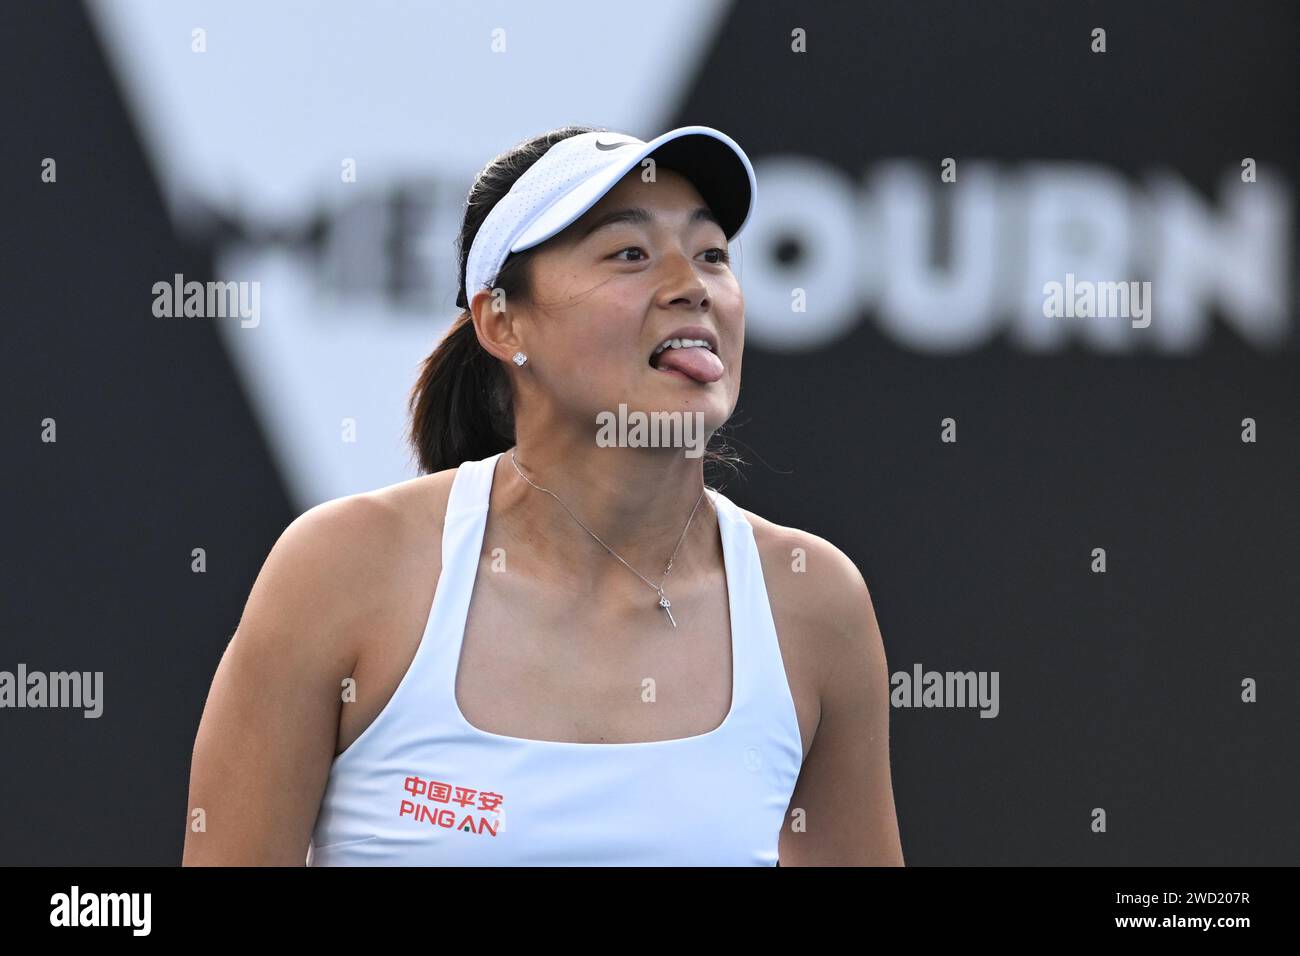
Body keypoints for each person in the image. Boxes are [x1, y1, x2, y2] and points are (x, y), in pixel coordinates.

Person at [182, 124, 903, 866]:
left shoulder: (815, 602)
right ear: (502, 321)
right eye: (630, 253)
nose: (692, 285)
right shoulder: (342, 569)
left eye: (713, 254)